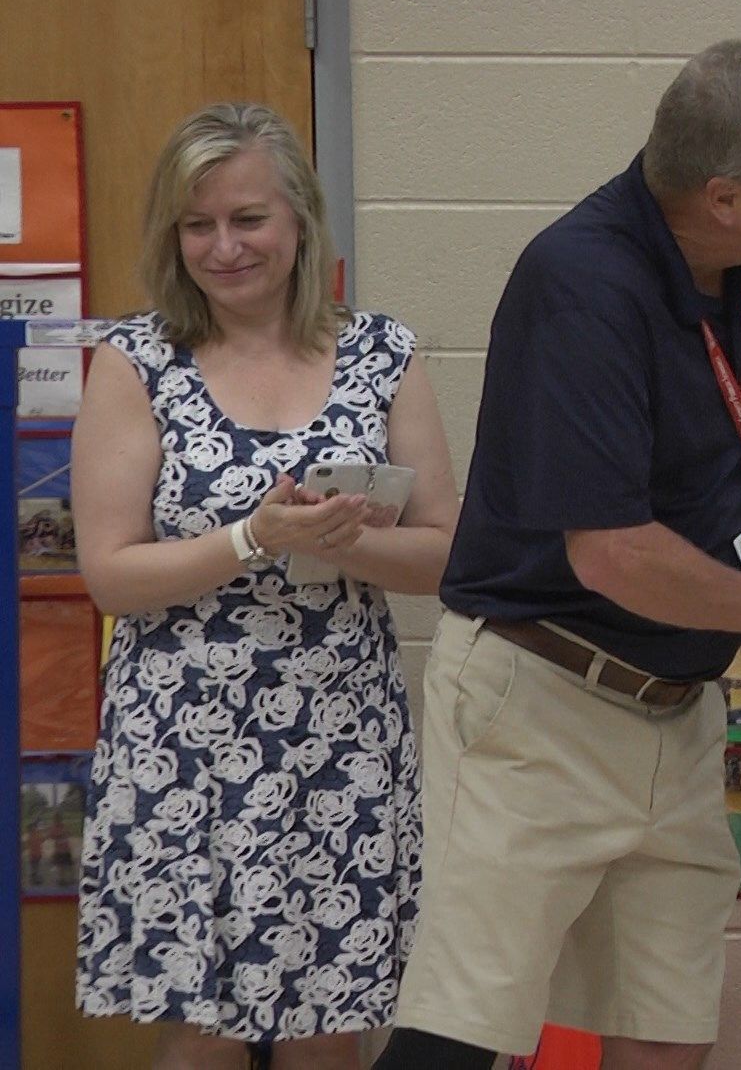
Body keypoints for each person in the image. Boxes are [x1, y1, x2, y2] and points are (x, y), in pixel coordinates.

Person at [375, 40, 741, 1069]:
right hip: (538, 704)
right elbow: (612, 553)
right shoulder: (582, 284)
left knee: (667, 1030)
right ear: (724, 195)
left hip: (675, 709)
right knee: (461, 1030)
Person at [69, 102, 459, 1069]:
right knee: (203, 1034)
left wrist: (342, 542)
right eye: (196, 225)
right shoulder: (136, 360)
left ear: (299, 221)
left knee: (331, 1027)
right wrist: (254, 536)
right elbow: (111, 576)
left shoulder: (384, 355)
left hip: (342, 733)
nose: (224, 246)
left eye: (248, 219)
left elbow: (451, 553)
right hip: (184, 741)